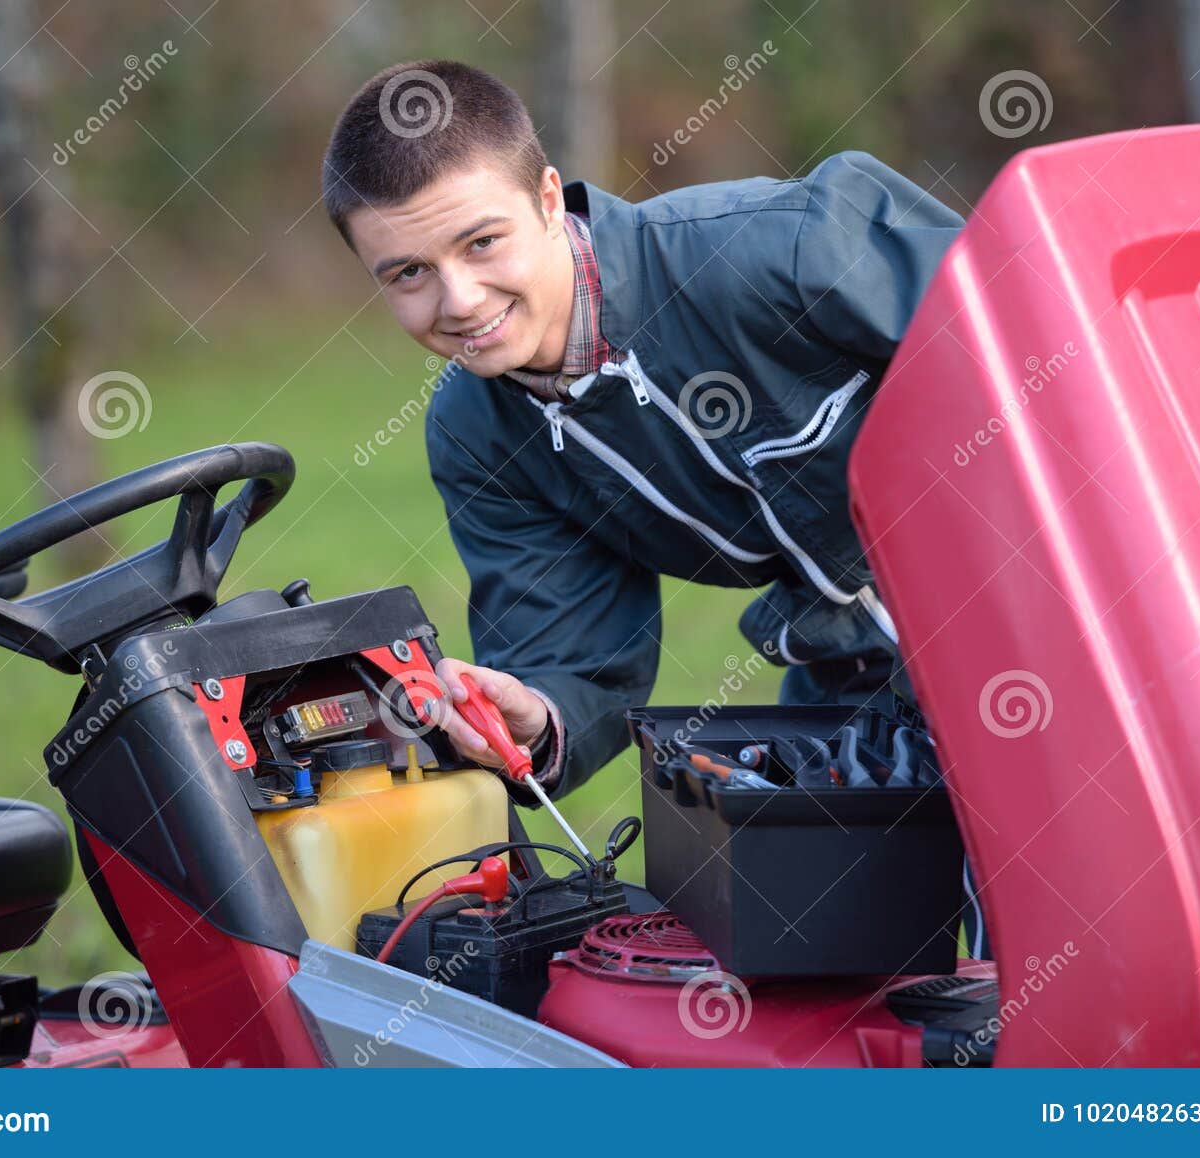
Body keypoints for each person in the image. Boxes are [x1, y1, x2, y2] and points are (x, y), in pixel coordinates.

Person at [321, 60, 980, 948]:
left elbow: (1046, 337)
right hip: (850, 686)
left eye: (482, 243)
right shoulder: (475, 432)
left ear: (550, 198)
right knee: (834, 964)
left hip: (1042, 639)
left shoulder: (782, 248)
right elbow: (575, 659)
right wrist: (540, 714)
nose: (459, 301)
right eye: (407, 273)